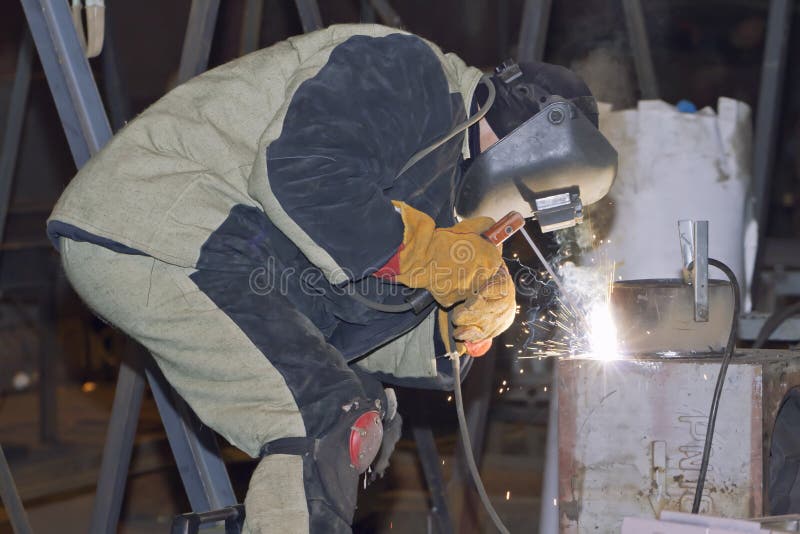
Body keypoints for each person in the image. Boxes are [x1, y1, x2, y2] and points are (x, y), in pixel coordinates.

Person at [47, 23, 614, 533]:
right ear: (528, 146)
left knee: (365, 415)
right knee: (324, 418)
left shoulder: (443, 194)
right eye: (521, 202)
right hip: (164, 217)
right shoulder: (405, 72)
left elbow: (350, 312)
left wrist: (450, 329)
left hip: (235, 248)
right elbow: (301, 176)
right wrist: (433, 257)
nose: (510, 220)